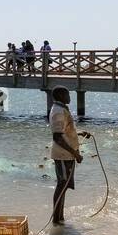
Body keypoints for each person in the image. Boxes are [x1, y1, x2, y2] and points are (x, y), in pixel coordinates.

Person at [48, 86, 85, 225]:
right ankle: (56, 219)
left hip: (67, 154)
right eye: (67, 94)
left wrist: (78, 133)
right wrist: (75, 153)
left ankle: (60, 218)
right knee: (61, 185)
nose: (69, 97)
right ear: (61, 96)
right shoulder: (58, 111)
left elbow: (64, 130)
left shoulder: (61, 108)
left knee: (64, 186)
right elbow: (57, 137)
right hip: (63, 155)